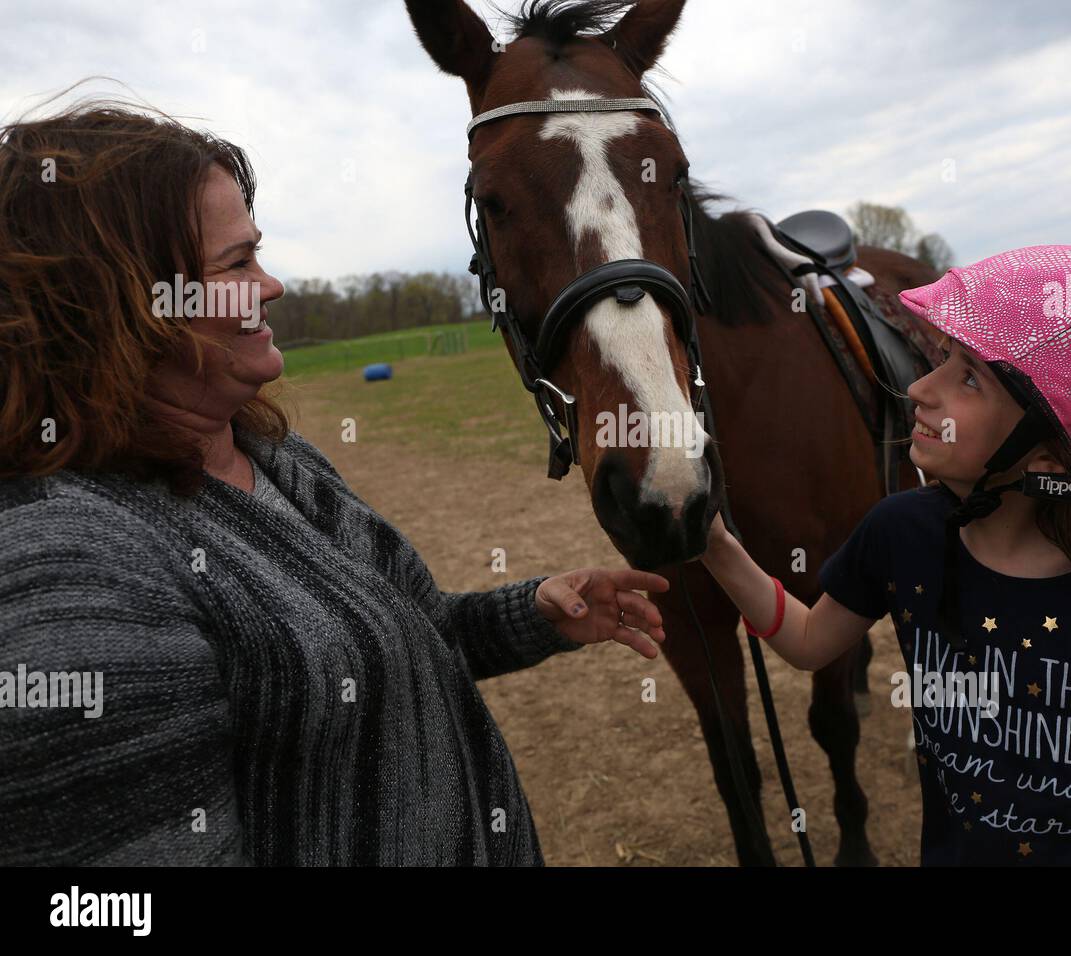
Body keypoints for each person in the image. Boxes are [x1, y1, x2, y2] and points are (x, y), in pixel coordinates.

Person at [0, 101, 669, 865]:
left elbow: (406, 635)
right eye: (236, 263)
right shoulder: (69, 577)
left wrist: (534, 613)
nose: (273, 284)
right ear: (124, 306)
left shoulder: (278, 459)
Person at [700, 245, 1071, 865]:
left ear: (1051, 455)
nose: (919, 389)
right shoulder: (902, 533)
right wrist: (716, 545)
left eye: (968, 379)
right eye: (944, 361)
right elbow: (807, 642)